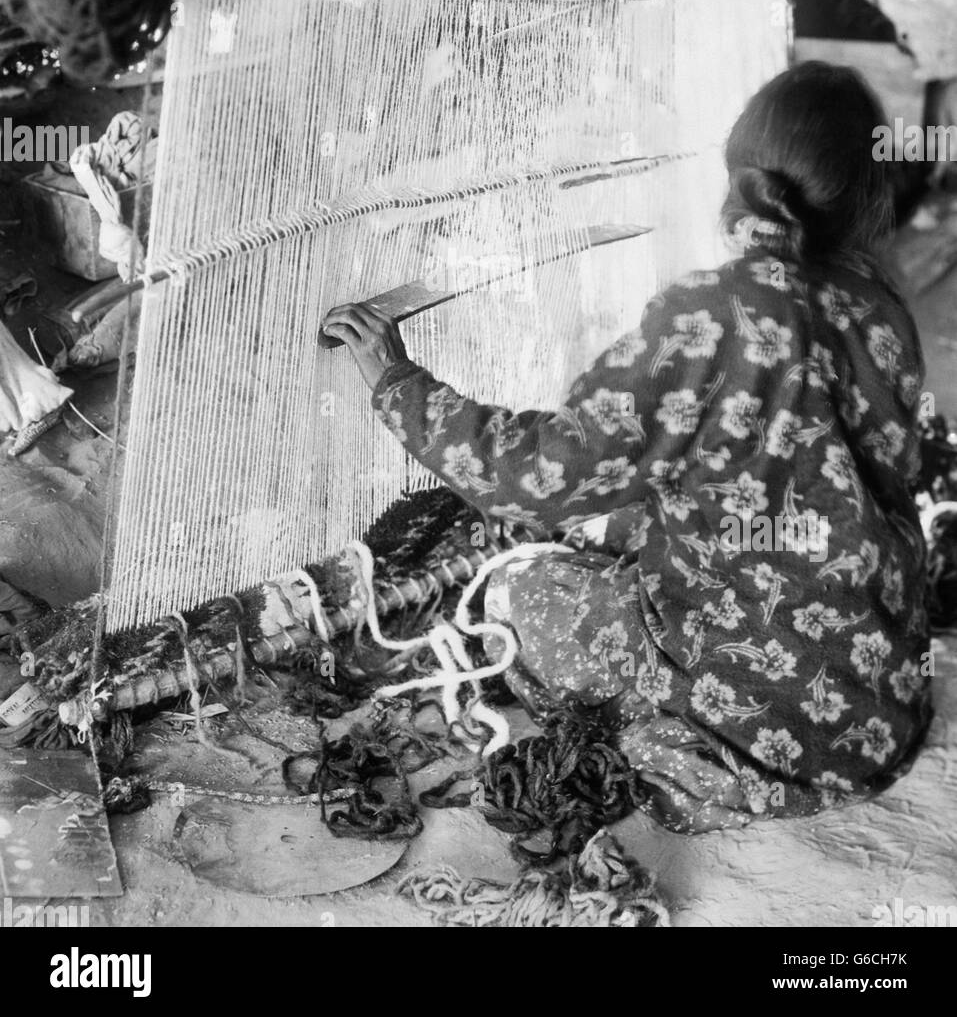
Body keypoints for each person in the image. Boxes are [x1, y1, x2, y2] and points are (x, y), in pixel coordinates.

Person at [321, 62, 932, 834]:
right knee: (621, 536)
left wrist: (399, 383)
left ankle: (716, 758)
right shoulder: (882, 316)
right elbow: (809, 476)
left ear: (738, 181)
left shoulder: (708, 314)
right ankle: (773, 745)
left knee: (525, 595)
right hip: (881, 710)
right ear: (863, 196)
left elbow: (536, 478)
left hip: (767, 713)